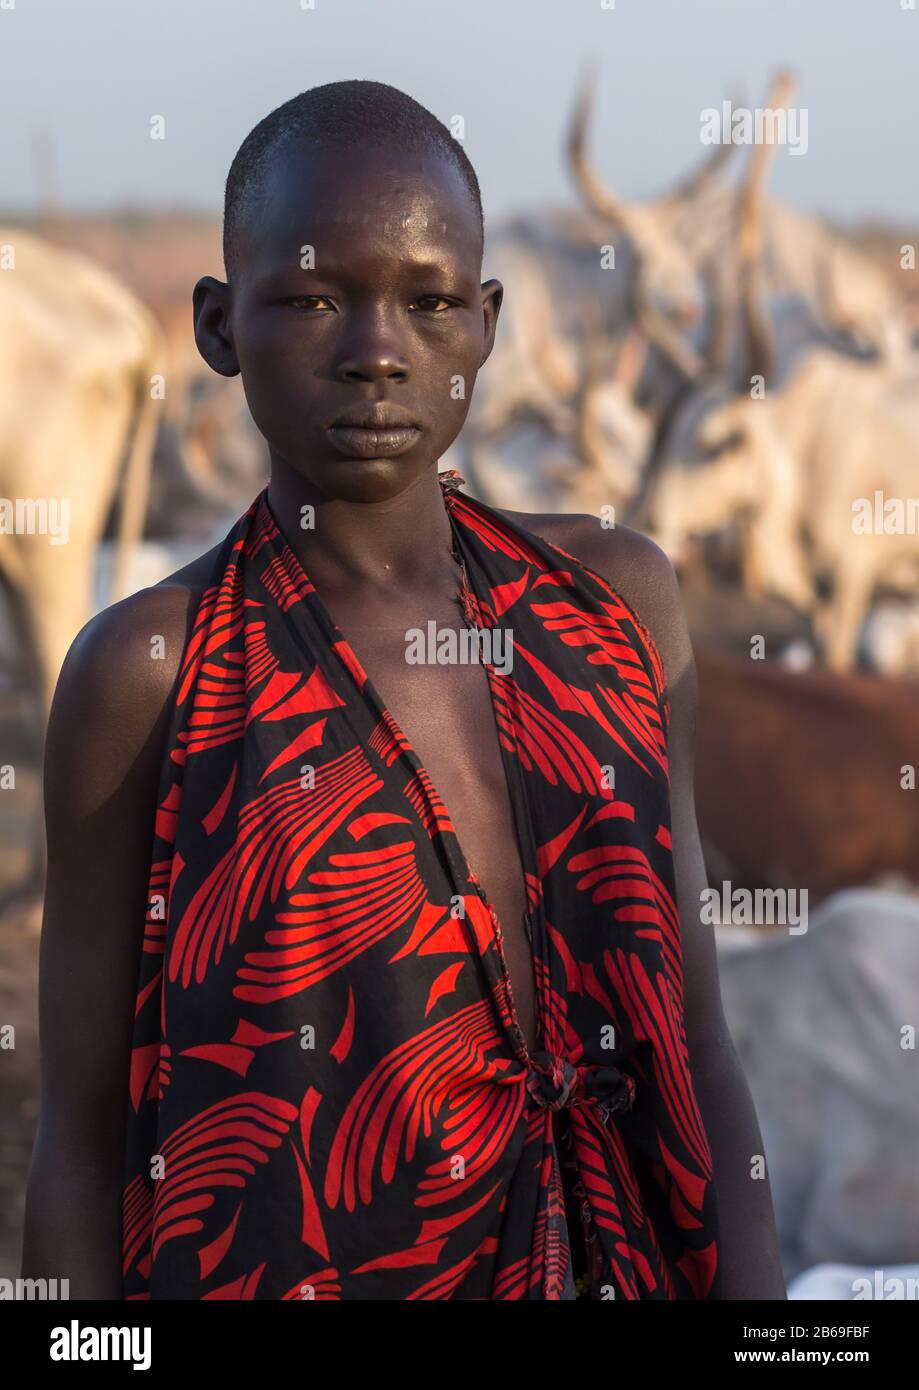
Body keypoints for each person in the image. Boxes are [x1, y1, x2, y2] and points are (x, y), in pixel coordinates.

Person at [21, 79, 786, 1299]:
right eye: (313, 298)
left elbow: (696, 1037)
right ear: (220, 328)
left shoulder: (616, 606)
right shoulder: (151, 671)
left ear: (481, 324)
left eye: (429, 302)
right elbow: (74, 1141)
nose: (378, 351)